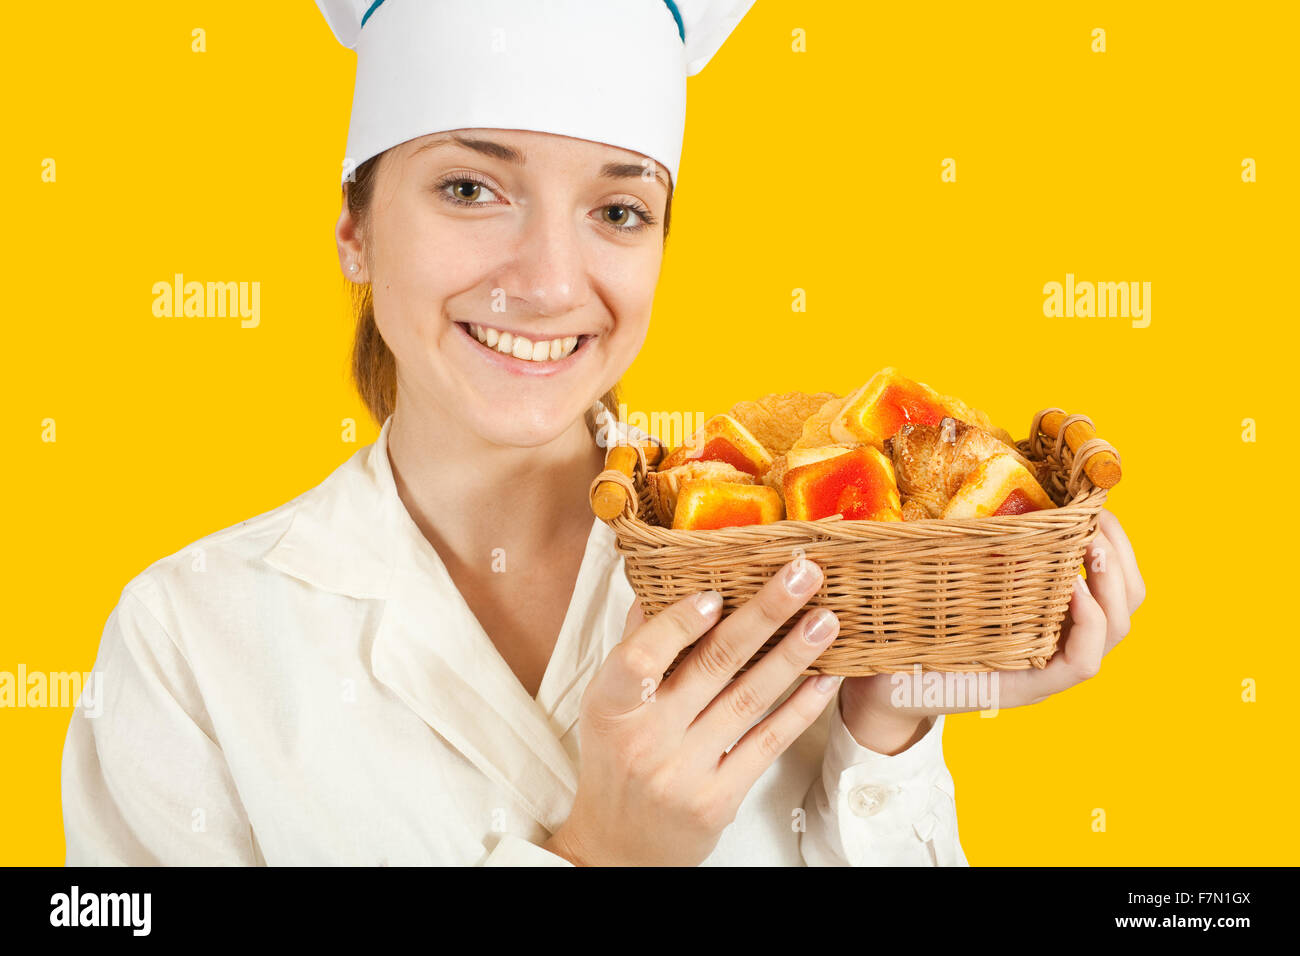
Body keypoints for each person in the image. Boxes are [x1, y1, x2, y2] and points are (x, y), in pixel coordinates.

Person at [61, 0, 1144, 866]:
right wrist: (604, 858)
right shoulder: (187, 646)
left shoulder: (809, 572)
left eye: (617, 210)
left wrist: (893, 716)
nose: (544, 281)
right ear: (354, 227)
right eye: (471, 187)